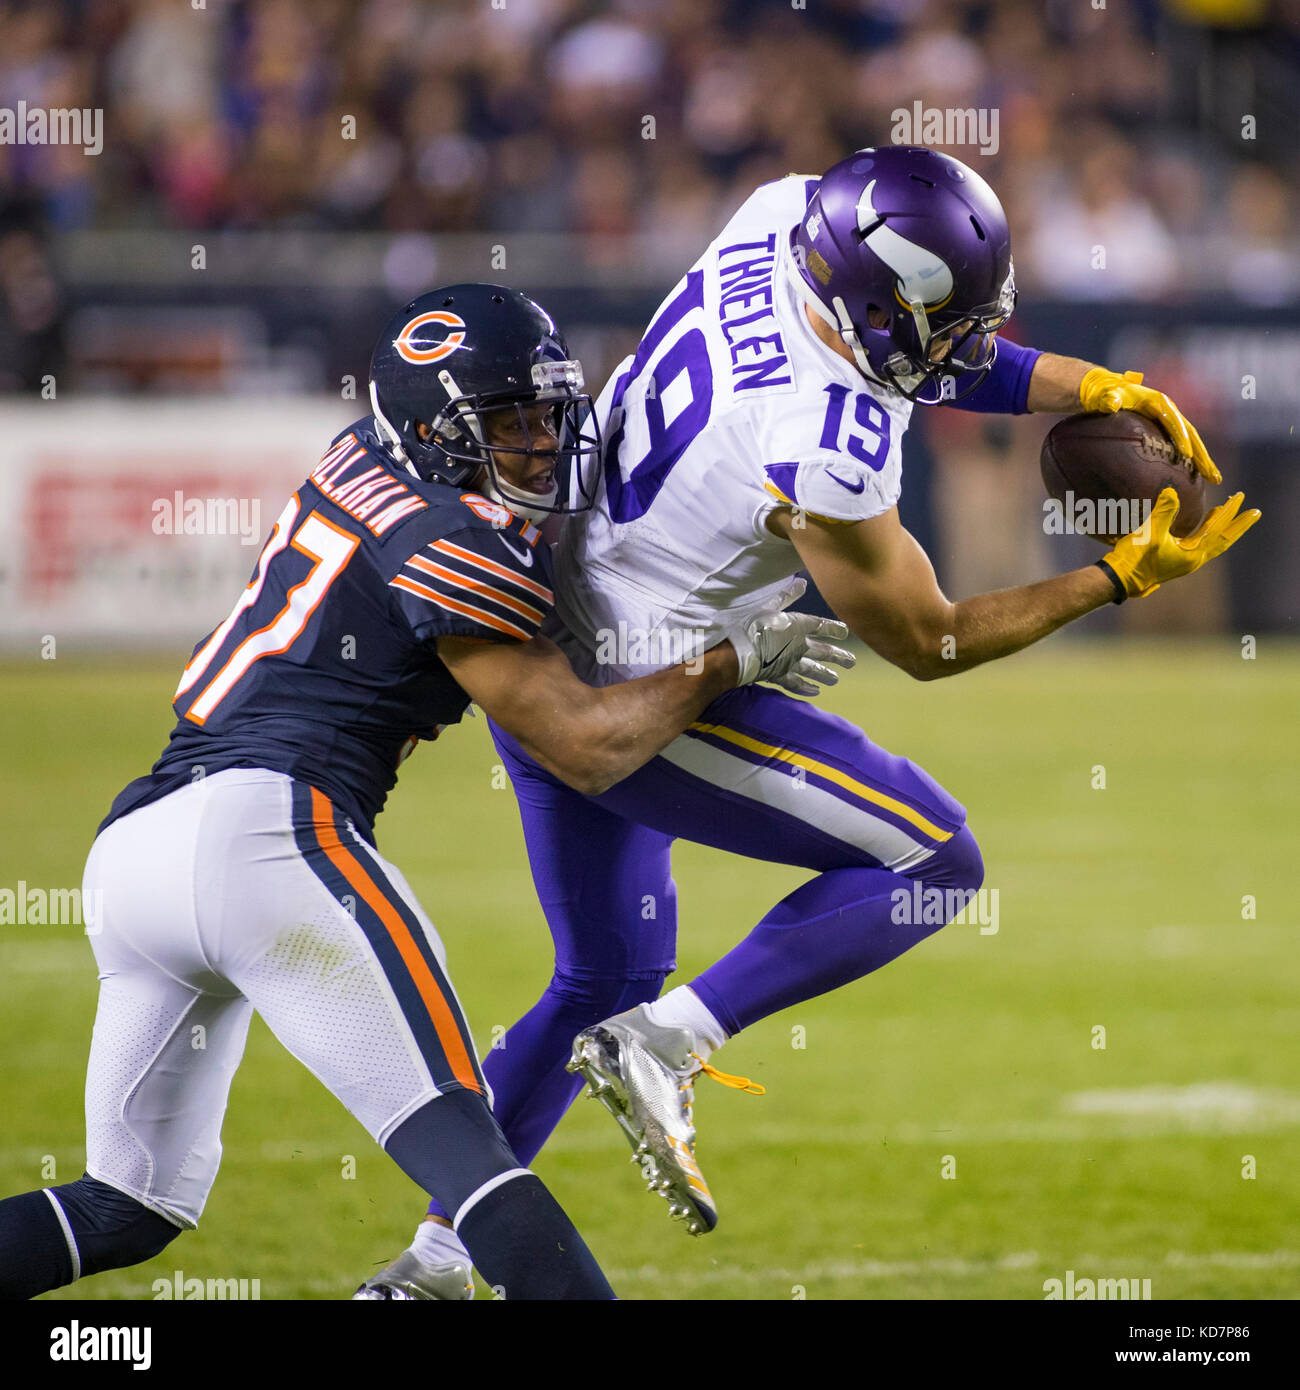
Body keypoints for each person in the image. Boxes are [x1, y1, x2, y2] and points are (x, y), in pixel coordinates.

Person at [362, 147, 1258, 1298]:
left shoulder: (782, 215)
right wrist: (1115, 578)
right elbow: (928, 640)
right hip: (644, 688)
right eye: (945, 321)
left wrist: (1091, 388)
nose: (966, 342)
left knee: (601, 973)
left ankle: (434, 1264)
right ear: (874, 307)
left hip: (542, 635)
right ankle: (671, 1040)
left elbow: (928, 356)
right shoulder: (820, 438)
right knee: (933, 860)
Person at [0, 283, 849, 1302]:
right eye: (508, 422)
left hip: (138, 852)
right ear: (437, 430)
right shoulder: (447, 539)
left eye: (547, 413)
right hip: (269, 839)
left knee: (123, 1207)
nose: (541, 444)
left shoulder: (363, 453)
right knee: (475, 1165)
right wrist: (728, 659)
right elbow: (585, 746)